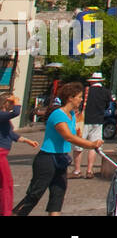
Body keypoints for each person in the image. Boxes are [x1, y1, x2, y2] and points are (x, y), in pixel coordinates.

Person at [14, 82, 102, 216]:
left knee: (58, 194)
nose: (81, 100)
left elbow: (74, 135)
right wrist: (91, 144)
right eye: (78, 97)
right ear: (70, 98)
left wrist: (84, 139)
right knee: (34, 195)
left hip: (61, 158)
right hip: (47, 159)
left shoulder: (72, 114)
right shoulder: (58, 115)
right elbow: (68, 136)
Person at [0, 94, 40, 216]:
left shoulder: (3, 117)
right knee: (6, 183)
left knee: (4, 183)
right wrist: (17, 101)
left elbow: (11, 135)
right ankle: (5, 212)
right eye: (11, 102)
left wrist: (28, 141)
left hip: (2, 154)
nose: (13, 105)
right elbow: (16, 113)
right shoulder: (1, 115)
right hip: (0, 155)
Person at [72, 72, 109, 179]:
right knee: (93, 146)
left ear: (92, 81)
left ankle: (77, 170)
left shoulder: (86, 91)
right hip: (98, 120)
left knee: (78, 145)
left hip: (84, 120)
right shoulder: (106, 92)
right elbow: (107, 105)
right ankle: (89, 170)